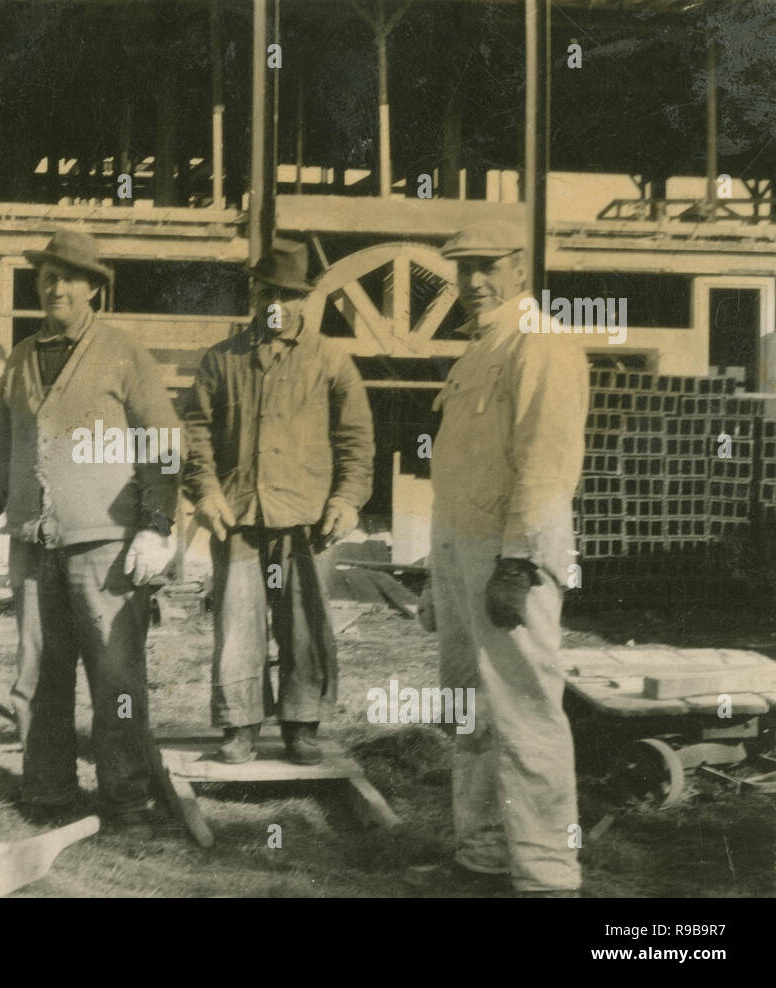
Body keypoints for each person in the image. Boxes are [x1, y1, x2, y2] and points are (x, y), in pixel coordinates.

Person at [0, 229, 178, 839]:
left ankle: (126, 804)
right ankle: (49, 795)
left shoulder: (123, 355)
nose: (56, 287)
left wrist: (156, 526)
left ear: (93, 289)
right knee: (39, 675)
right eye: (47, 278)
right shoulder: (21, 357)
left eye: (69, 278)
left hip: (107, 547)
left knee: (115, 679)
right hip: (34, 546)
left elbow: (161, 443)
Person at [413, 218, 589, 897]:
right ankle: (483, 858)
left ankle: (547, 877)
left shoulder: (541, 346)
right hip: (462, 557)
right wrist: (438, 575)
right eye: (463, 268)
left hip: (506, 564)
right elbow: (461, 474)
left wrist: (517, 563)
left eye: (488, 266)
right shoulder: (479, 351)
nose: (474, 281)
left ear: (520, 268)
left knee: (527, 714)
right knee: (470, 712)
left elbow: (547, 465)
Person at [184, 240, 375, 766]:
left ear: (307, 300)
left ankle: (301, 724)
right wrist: (205, 490)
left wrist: (347, 499)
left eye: (291, 296)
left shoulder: (332, 360)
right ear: (254, 293)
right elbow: (194, 433)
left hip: (308, 518)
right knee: (238, 622)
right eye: (270, 292)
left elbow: (356, 441)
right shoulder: (221, 361)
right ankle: (240, 725)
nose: (279, 305)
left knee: (304, 621)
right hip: (239, 515)